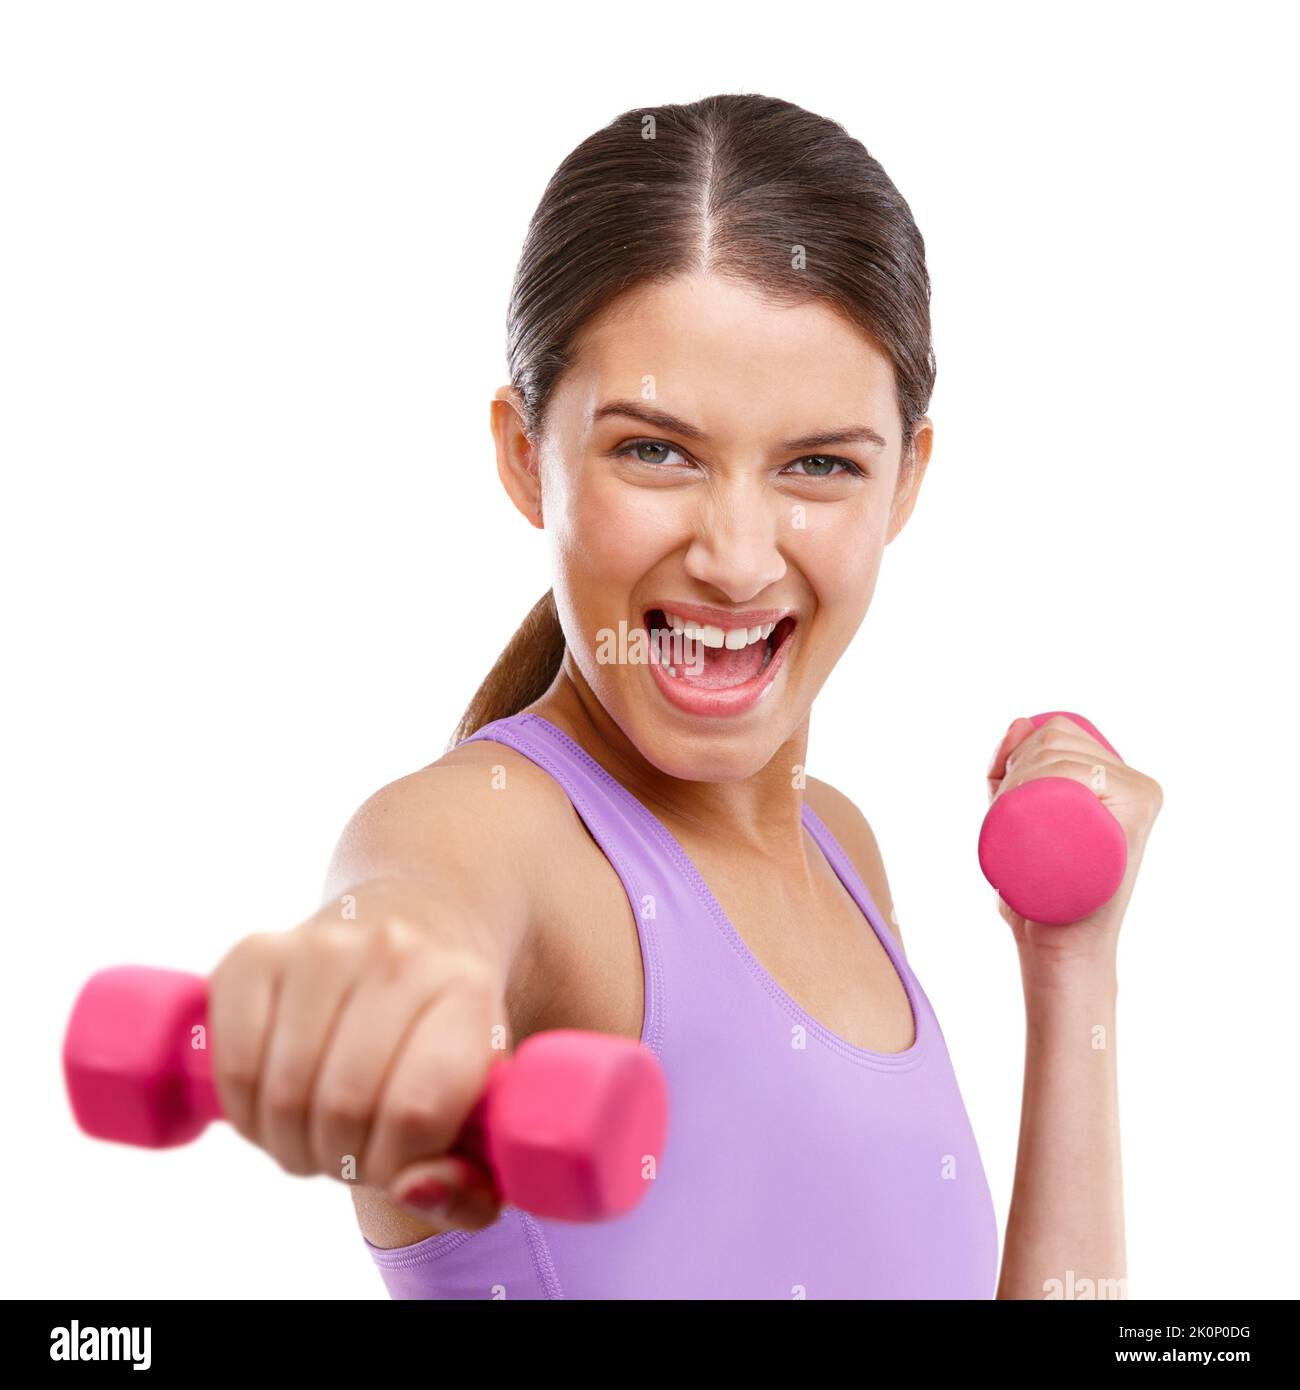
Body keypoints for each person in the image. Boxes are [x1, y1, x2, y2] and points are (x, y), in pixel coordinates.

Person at [208, 92, 1163, 1299]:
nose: (737, 553)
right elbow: (410, 902)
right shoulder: (490, 825)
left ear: (905, 481)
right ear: (523, 454)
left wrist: (1070, 961)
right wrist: (380, 981)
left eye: (819, 464)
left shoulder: (843, 852)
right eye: (655, 450)